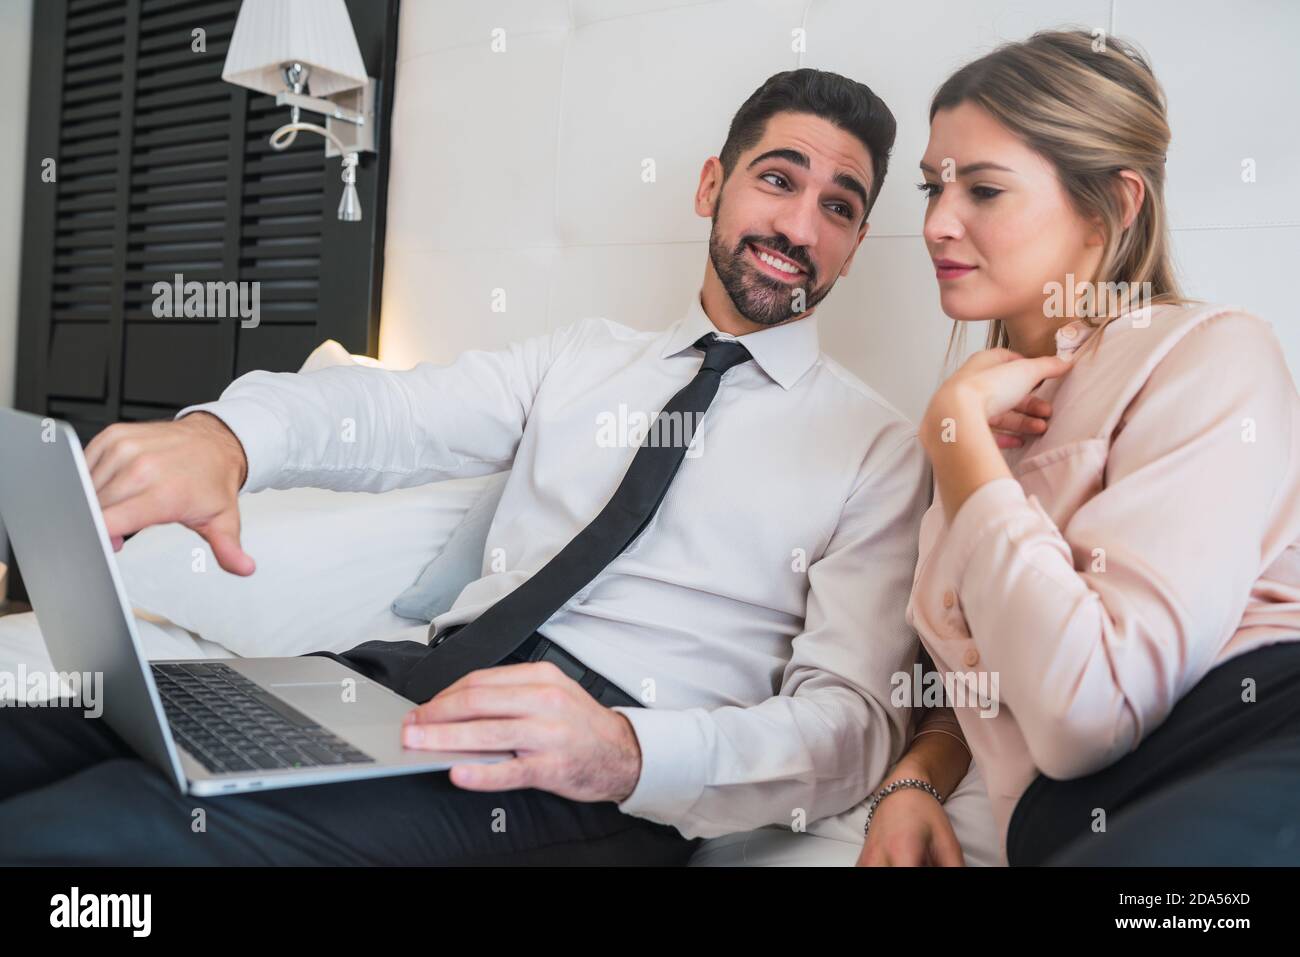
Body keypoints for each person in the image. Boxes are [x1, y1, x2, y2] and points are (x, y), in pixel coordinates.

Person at [0, 69, 1005, 865]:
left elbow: (851, 727)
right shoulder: (577, 360)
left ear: (856, 240)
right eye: (778, 179)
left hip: (580, 777)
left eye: (839, 207)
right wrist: (227, 438)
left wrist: (624, 750)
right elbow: (387, 413)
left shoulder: (877, 450)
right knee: (31, 734)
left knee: (98, 836)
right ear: (712, 184)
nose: (798, 228)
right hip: (395, 684)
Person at [856, 29, 1300, 867]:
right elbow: (989, 686)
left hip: (1243, 750)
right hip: (1064, 826)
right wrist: (912, 781)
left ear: (1111, 206)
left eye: (983, 189)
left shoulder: (1211, 352)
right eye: (931, 188)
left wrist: (956, 438)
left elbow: (1089, 707)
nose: (936, 225)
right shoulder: (976, 425)